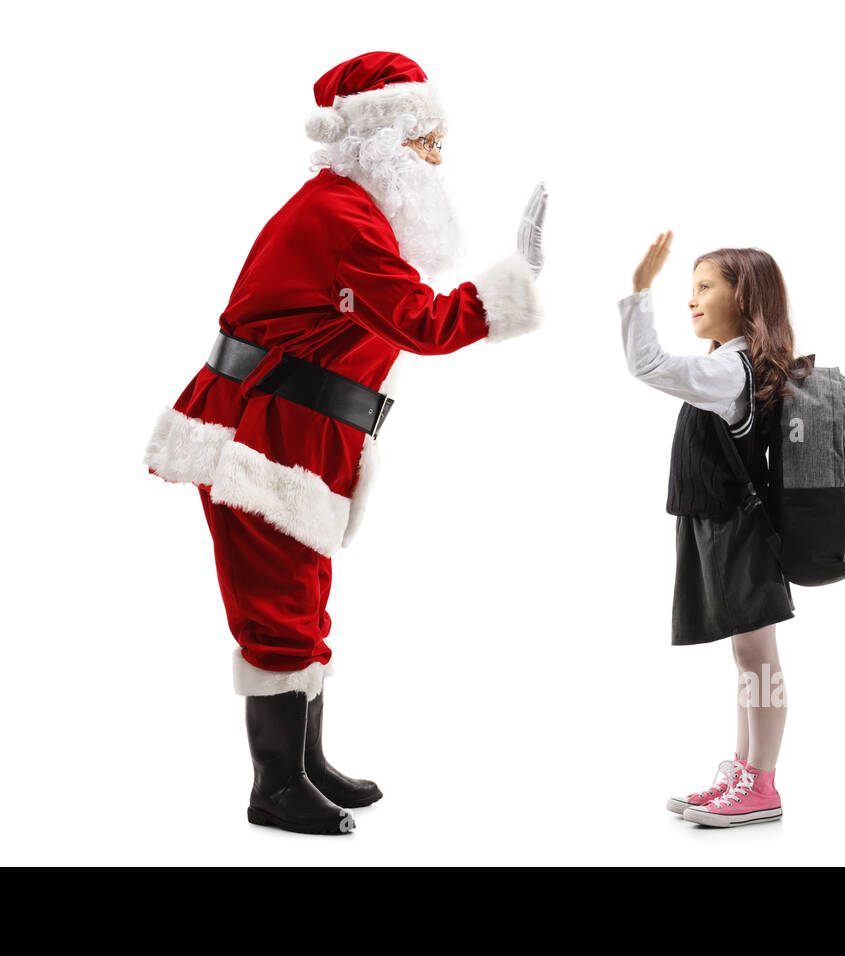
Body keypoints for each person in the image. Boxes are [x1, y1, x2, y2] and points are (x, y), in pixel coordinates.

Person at [144, 52, 547, 835]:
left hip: (295, 439)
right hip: (258, 440)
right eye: (427, 143)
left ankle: (305, 765)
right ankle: (275, 790)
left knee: (303, 602)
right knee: (279, 611)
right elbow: (424, 325)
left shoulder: (351, 209)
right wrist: (515, 280)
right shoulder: (340, 220)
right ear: (383, 141)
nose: (438, 161)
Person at [619, 231, 812, 828]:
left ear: (744, 296)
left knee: (758, 658)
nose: (693, 300)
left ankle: (763, 784)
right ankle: (745, 770)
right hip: (724, 526)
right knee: (747, 657)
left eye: (706, 287)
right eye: (691, 287)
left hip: (739, 529)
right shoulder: (729, 364)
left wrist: (638, 292)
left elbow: (646, 364)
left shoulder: (732, 369)